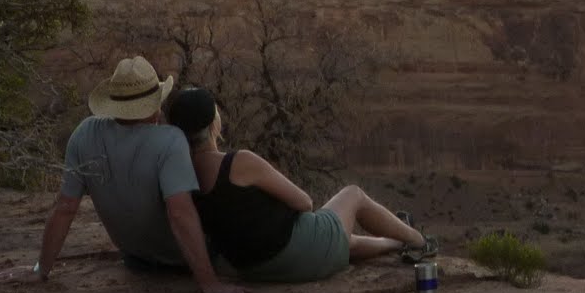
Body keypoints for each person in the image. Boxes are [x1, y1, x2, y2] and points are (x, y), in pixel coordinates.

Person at [0, 56, 250, 293]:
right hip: (183, 259)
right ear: (154, 104)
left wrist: (40, 269)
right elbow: (180, 213)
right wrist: (209, 282)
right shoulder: (170, 141)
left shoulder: (84, 134)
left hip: (137, 259)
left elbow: (65, 208)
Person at [164, 86, 436, 282]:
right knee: (353, 195)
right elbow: (304, 202)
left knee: (343, 240)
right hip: (291, 256)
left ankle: (393, 243)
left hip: (251, 268)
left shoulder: (177, 176)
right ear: (214, 124)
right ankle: (420, 241)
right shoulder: (239, 162)